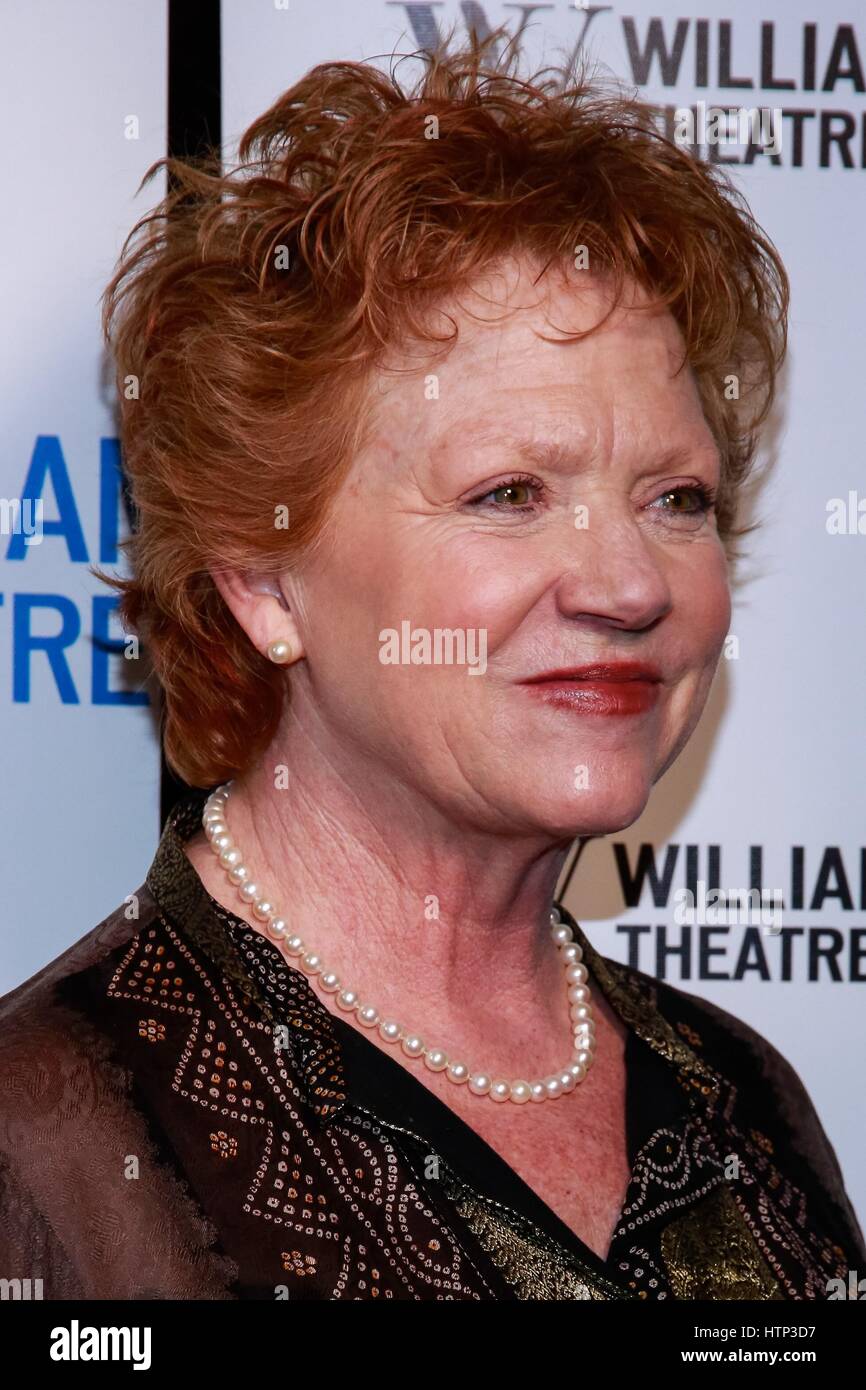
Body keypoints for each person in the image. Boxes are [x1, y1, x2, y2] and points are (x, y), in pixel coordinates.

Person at [1, 33, 862, 1301]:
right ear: (262, 579)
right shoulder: (49, 1140)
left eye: (676, 497)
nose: (627, 585)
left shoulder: (743, 1101)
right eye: (509, 493)